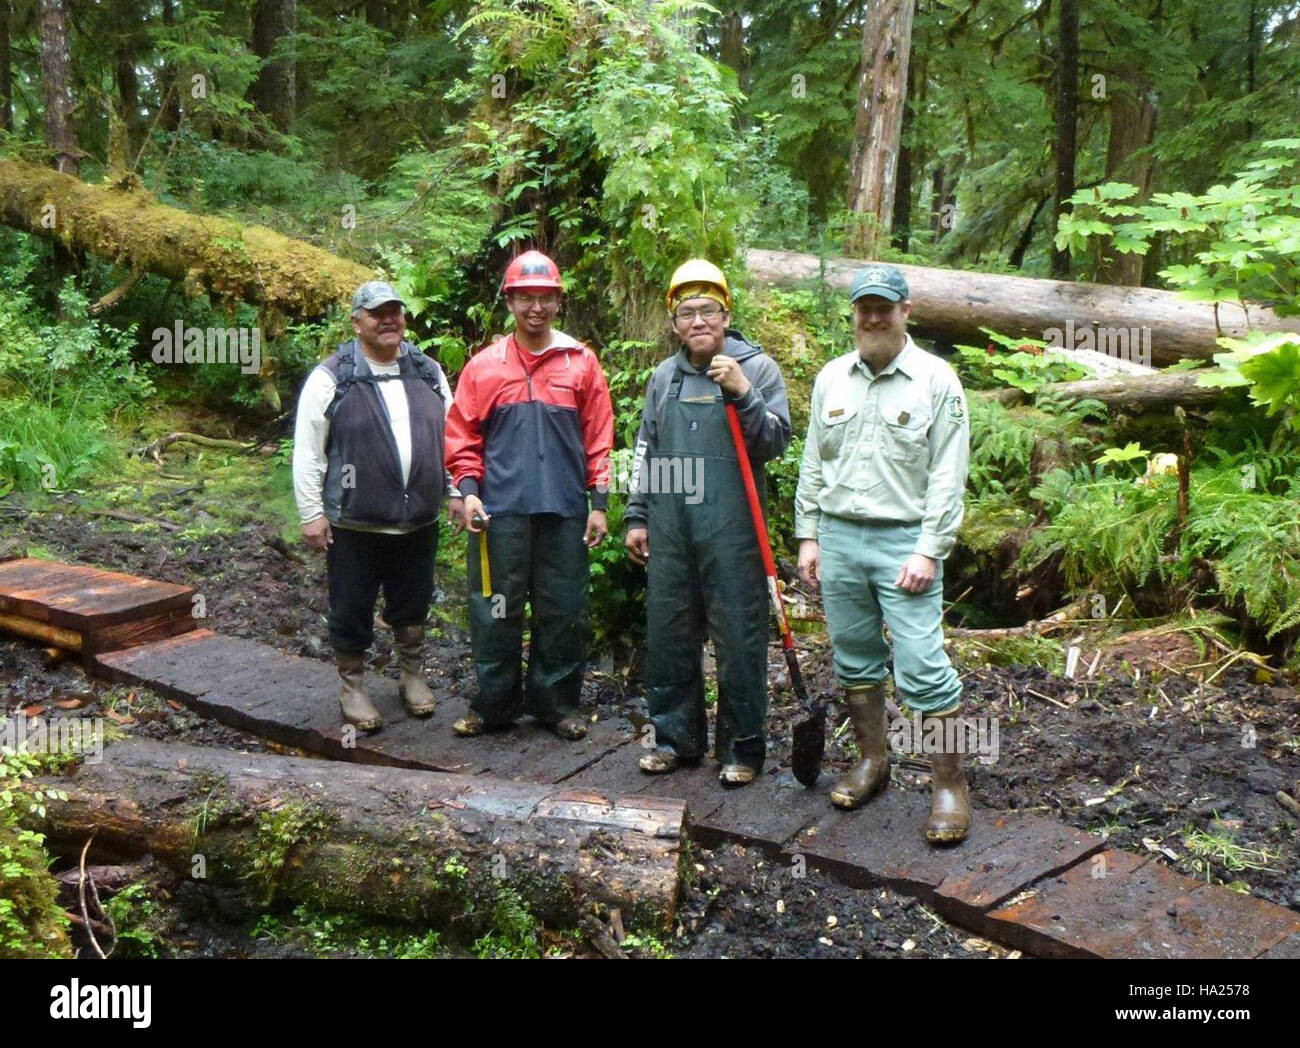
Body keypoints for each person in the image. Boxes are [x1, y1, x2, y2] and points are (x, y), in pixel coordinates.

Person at [794, 263, 972, 843]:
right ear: (854, 313)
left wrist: (929, 549)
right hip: (841, 539)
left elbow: (948, 472)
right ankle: (874, 759)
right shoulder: (830, 379)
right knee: (854, 659)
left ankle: (949, 786)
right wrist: (809, 535)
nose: (873, 317)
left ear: (905, 311)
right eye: (864, 307)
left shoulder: (936, 380)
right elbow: (814, 463)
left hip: (905, 543)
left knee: (923, 668)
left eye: (884, 307)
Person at [625, 259, 792, 787]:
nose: (698, 321)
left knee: (739, 638)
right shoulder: (664, 377)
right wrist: (637, 515)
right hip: (672, 526)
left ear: (726, 314)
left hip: (733, 527)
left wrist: (744, 392)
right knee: (669, 632)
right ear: (674, 321)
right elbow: (646, 447)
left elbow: (774, 444)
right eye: (687, 312)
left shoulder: (757, 368)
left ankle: (742, 749)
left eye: (709, 310)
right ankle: (675, 738)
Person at [444, 250, 614, 741]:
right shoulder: (484, 367)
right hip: (499, 512)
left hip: (563, 510)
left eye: (545, 299)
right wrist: (469, 492)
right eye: (525, 299)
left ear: (558, 303)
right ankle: (493, 705)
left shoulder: (580, 363)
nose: (535, 308)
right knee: (494, 606)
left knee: (562, 610)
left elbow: (599, 436)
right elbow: (463, 437)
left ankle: (556, 706)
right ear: (510, 301)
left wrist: (598, 505)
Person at [293, 280, 462, 732]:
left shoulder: (428, 372)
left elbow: (452, 439)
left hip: (418, 520)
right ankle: (352, 686)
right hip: (355, 523)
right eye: (376, 313)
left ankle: (411, 676)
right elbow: (309, 452)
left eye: (395, 312)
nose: (388, 320)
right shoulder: (333, 377)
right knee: (351, 606)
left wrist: (457, 492)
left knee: (413, 603)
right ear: (356, 321)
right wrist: (311, 512)